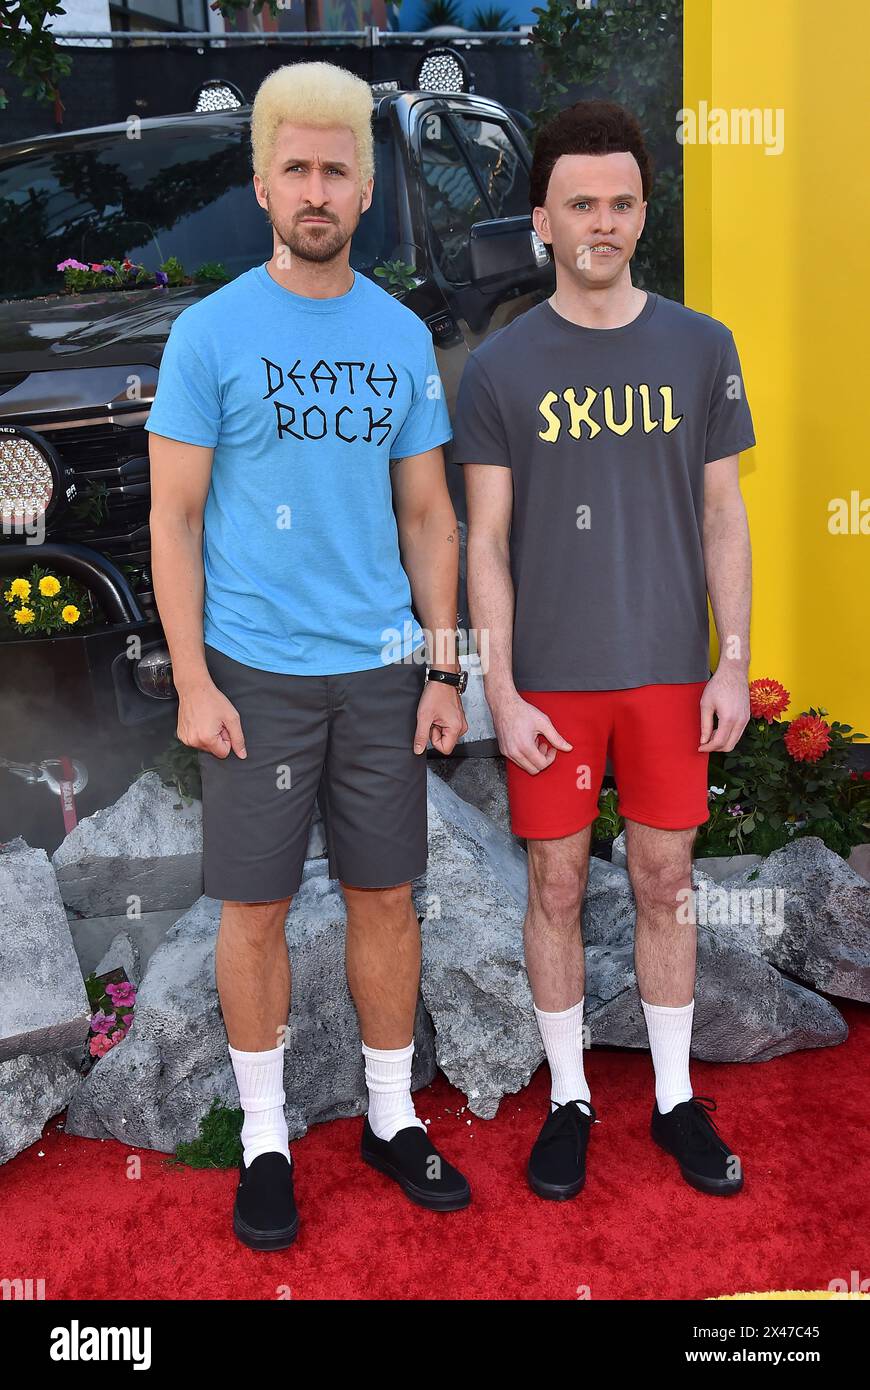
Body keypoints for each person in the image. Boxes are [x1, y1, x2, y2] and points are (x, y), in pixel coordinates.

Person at [145, 61, 472, 1251]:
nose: (318, 188)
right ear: (263, 180)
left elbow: (431, 518)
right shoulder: (209, 331)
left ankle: (391, 1118)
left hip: (384, 671)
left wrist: (447, 671)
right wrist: (189, 678)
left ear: (369, 187)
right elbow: (172, 520)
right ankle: (268, 1137)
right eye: (298, 168)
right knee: (257, 908)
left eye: (339, 169)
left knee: (389, 896)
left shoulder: (398, 336)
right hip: (254, 675)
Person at [451, 99, 756, 1202]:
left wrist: (734, 661)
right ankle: (571, 1096)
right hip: (556, 685)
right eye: (581, 203)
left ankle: (674, 1099)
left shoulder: (701, 345)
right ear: (542, 219)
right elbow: (483, 541)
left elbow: (726, 516)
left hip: (674, 669)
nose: (604, 221)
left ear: (642, 210)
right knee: (559, 884)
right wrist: (500, 686)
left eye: (622, 201)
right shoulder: (499, 369)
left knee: (667, 881)